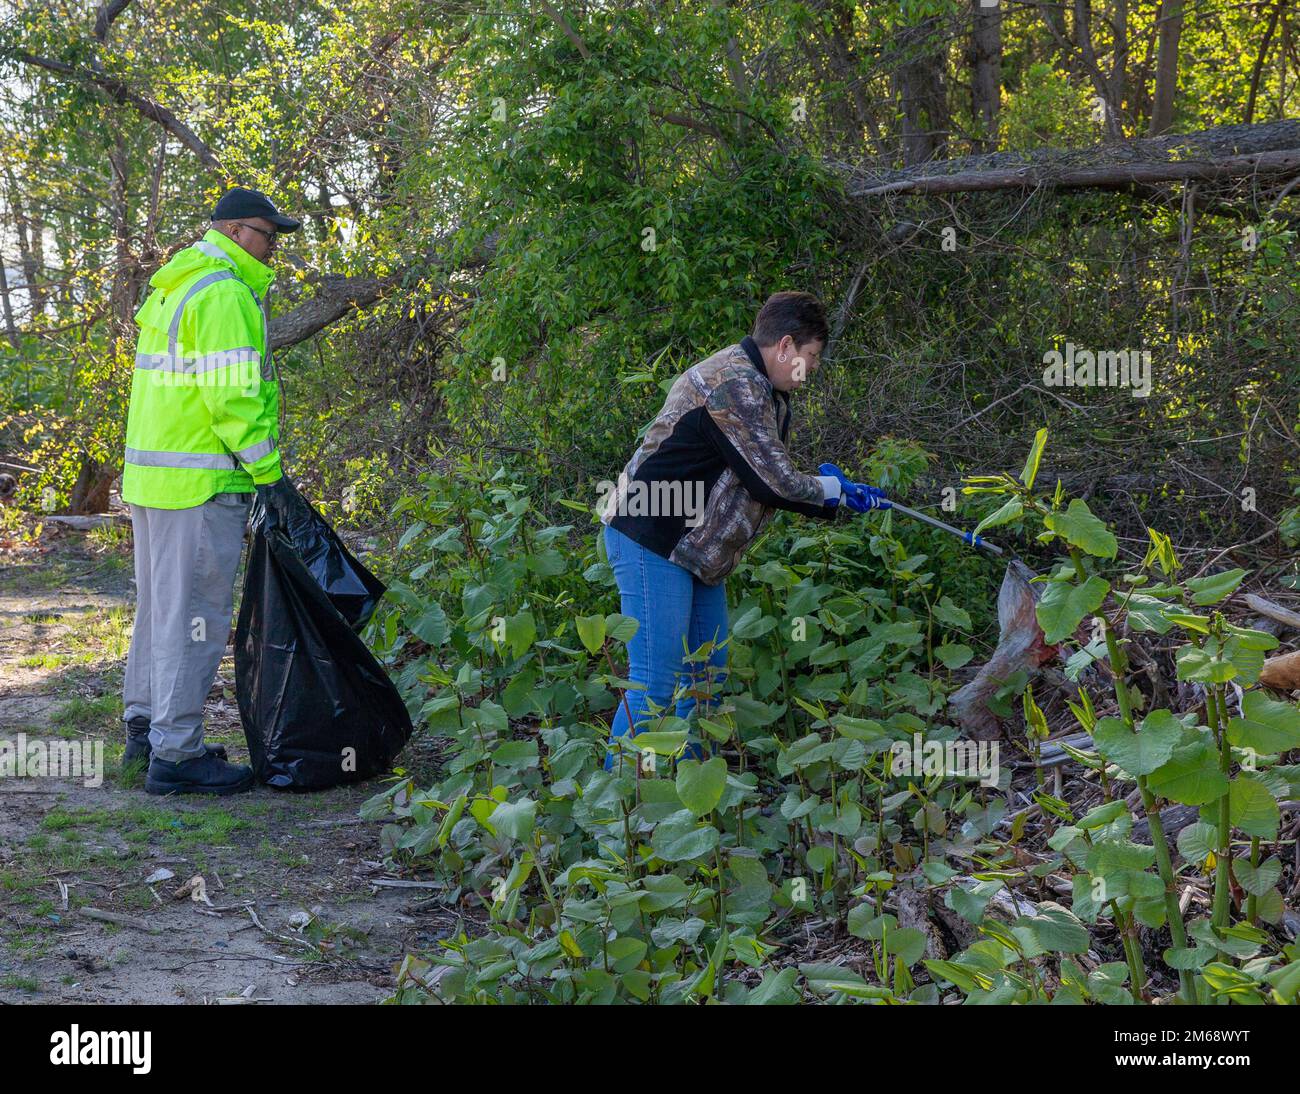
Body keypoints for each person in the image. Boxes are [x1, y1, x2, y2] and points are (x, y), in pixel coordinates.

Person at [599, 291, 886, 771]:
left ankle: (691, 795)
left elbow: (759, 474)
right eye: (811, 358)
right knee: (655, 677)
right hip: (651, 535)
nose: (811, 370)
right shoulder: (734, 382)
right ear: (786, 345)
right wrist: (831, 491)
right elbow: (772, 481)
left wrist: (827, 489)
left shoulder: (765, 390)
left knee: (706, 677)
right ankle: (619, 811)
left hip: (695, 552)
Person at [120, 186, 302, 795]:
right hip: (199, 484)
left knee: (161, 611)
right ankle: (176, 754)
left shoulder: (177, 284)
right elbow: (233, 397)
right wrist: (269, 474)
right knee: (195, 615)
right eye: (268, 234)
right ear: (234, 231)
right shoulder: (224, 293)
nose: (274, 247)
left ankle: (145, 730)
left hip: (154, 481)